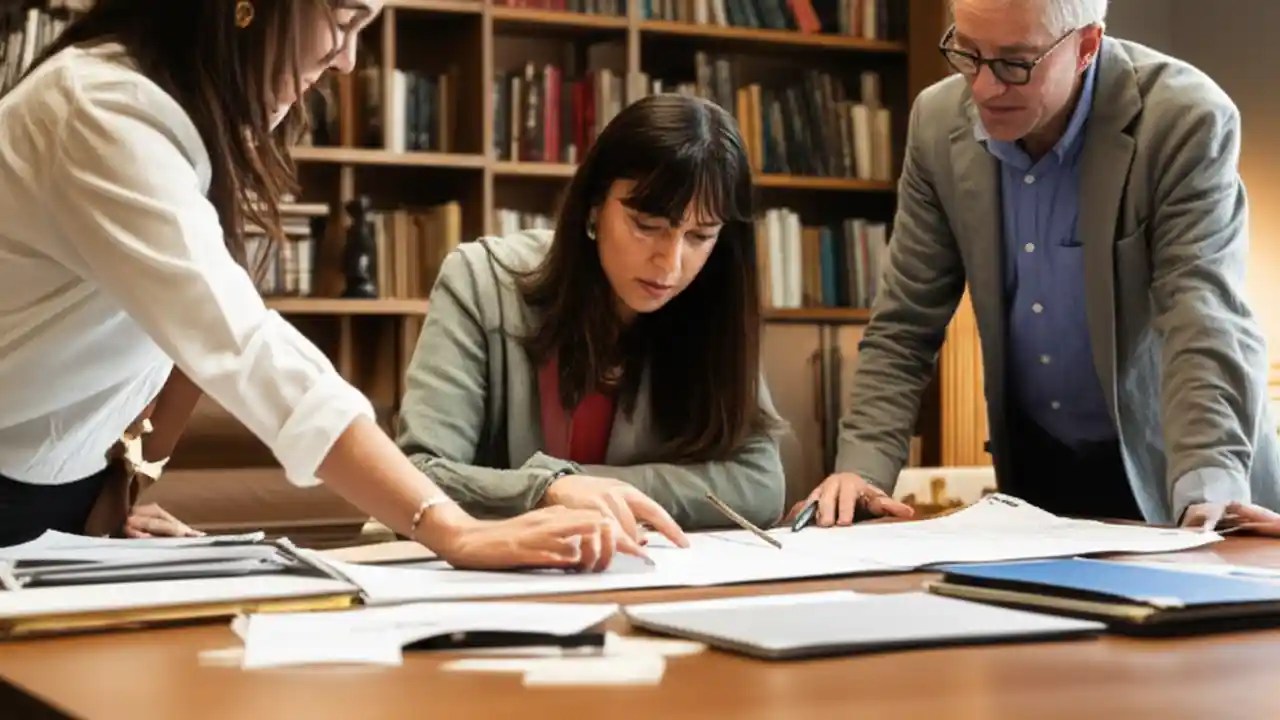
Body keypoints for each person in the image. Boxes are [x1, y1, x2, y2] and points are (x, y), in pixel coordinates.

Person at [0, 0, 646, 572]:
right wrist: (449, 527)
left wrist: (122, 493)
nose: (346, 60)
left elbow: (173, 352)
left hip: (69, 489)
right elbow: (240, 342)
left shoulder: (195, 114)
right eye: (343, 19)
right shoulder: (98, 111)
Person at [789, 0, 1280, 530]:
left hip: (1178, 473)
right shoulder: (937, 123)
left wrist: (1210, 487)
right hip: (1043, 484)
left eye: (1014, 64)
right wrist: (861, 470)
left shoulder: (1183, 119)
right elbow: (904, 324)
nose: (983, 88)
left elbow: (1202, 318)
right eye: (969, 53)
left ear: (1087, 45)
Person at [395, 93, 787, 543]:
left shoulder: (711, 303)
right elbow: (417, 477)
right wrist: (547, 489)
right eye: (647, 225)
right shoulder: (479, 282)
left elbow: (761, 483)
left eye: (699, 235)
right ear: (594, 206)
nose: (671, 264)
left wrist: (586, 487)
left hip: (646, 575)